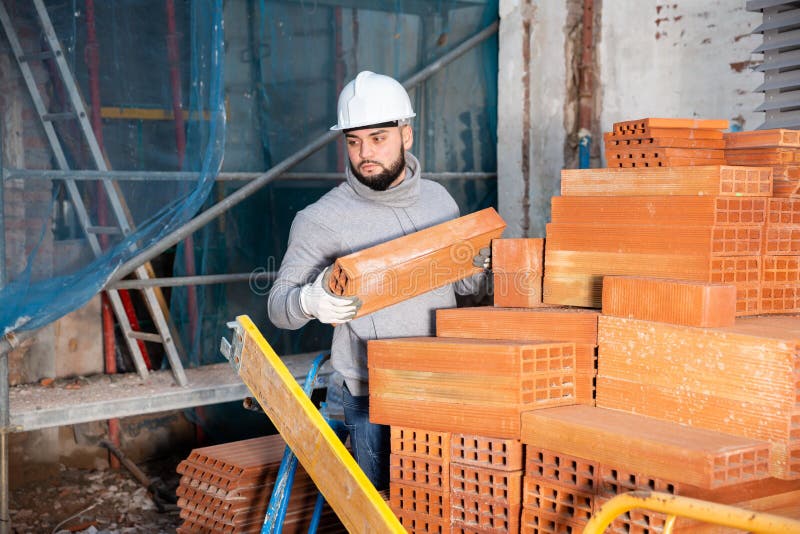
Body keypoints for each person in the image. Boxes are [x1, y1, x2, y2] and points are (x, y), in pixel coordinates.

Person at [267, 70, 490, 491]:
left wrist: (480, 269)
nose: (364, 153)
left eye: (377, 138)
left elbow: (463, 292)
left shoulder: (440, 201)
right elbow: (278, 307)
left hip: (446, 379)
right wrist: (309, 301)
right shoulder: (321, 219)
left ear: (406, 135)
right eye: (353, 141)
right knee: (384, 509)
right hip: (373, 395)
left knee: (444, 507)